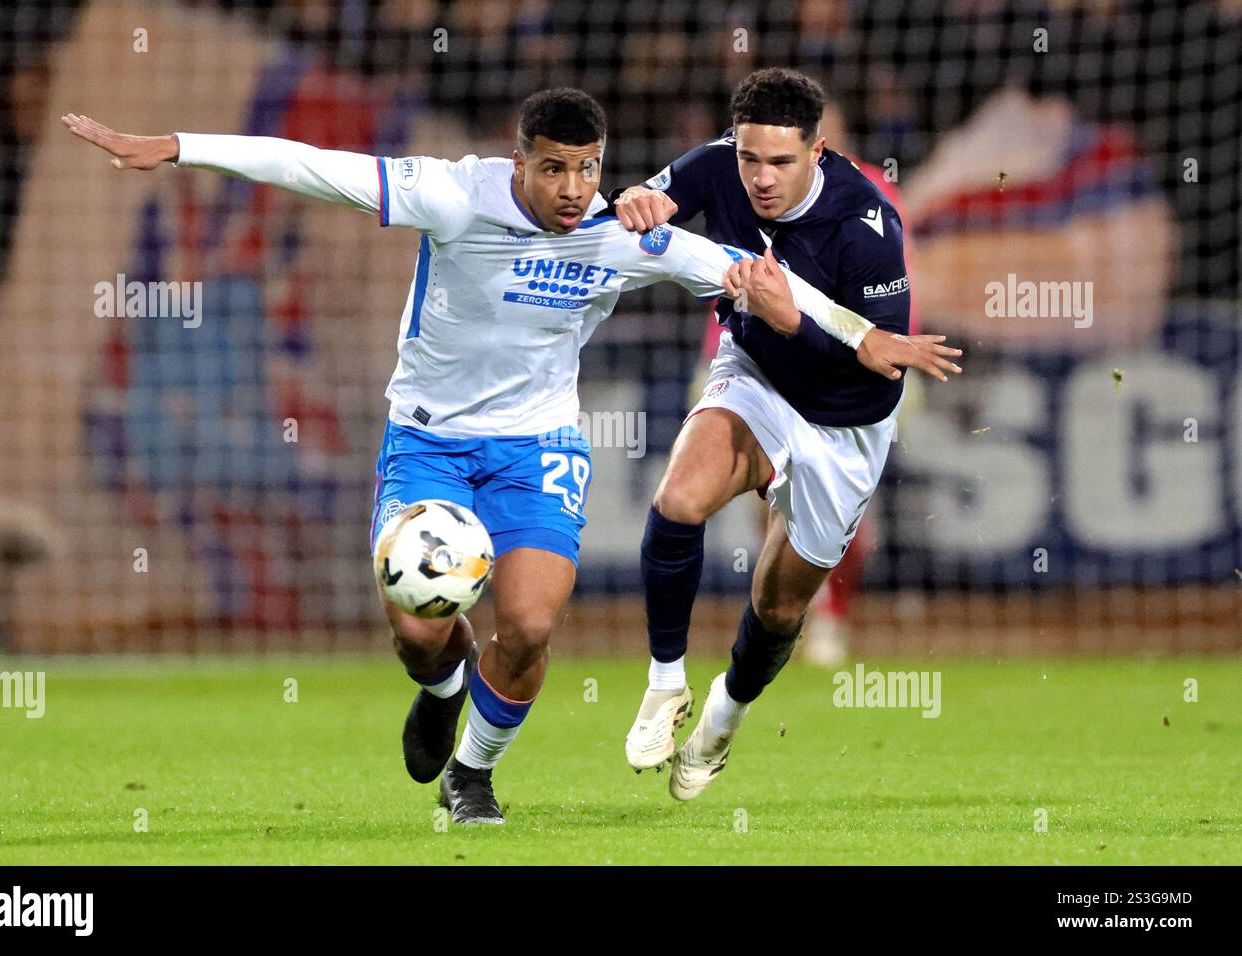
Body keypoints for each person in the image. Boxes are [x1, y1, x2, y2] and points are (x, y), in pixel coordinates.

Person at [62, 87, 956, 824]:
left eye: (589, 169)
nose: (574, 189)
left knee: (528, 624)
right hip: (428, 441)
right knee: (418, 631)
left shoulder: (624, 237)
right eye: (555, 168)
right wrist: (176, 144)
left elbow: (752, 275)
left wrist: (861, 332)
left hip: (540, 446)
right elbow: (311, 167)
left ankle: (474, 775)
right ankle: (446, 684)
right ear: (518, 161)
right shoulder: (453, 195)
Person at [614, 68, 960, 800]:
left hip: (846, 420)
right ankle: (664, 685)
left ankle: (721, 719)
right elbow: (659, 199)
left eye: (780, 162)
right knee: (678, 501)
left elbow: (878, 367)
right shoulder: (719, 166)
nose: (761, 179)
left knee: (776, 607)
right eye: (750, 159)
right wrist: (641, 198)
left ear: (818, 152)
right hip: (758, 379)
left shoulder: (868, 225)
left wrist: (790, 319)